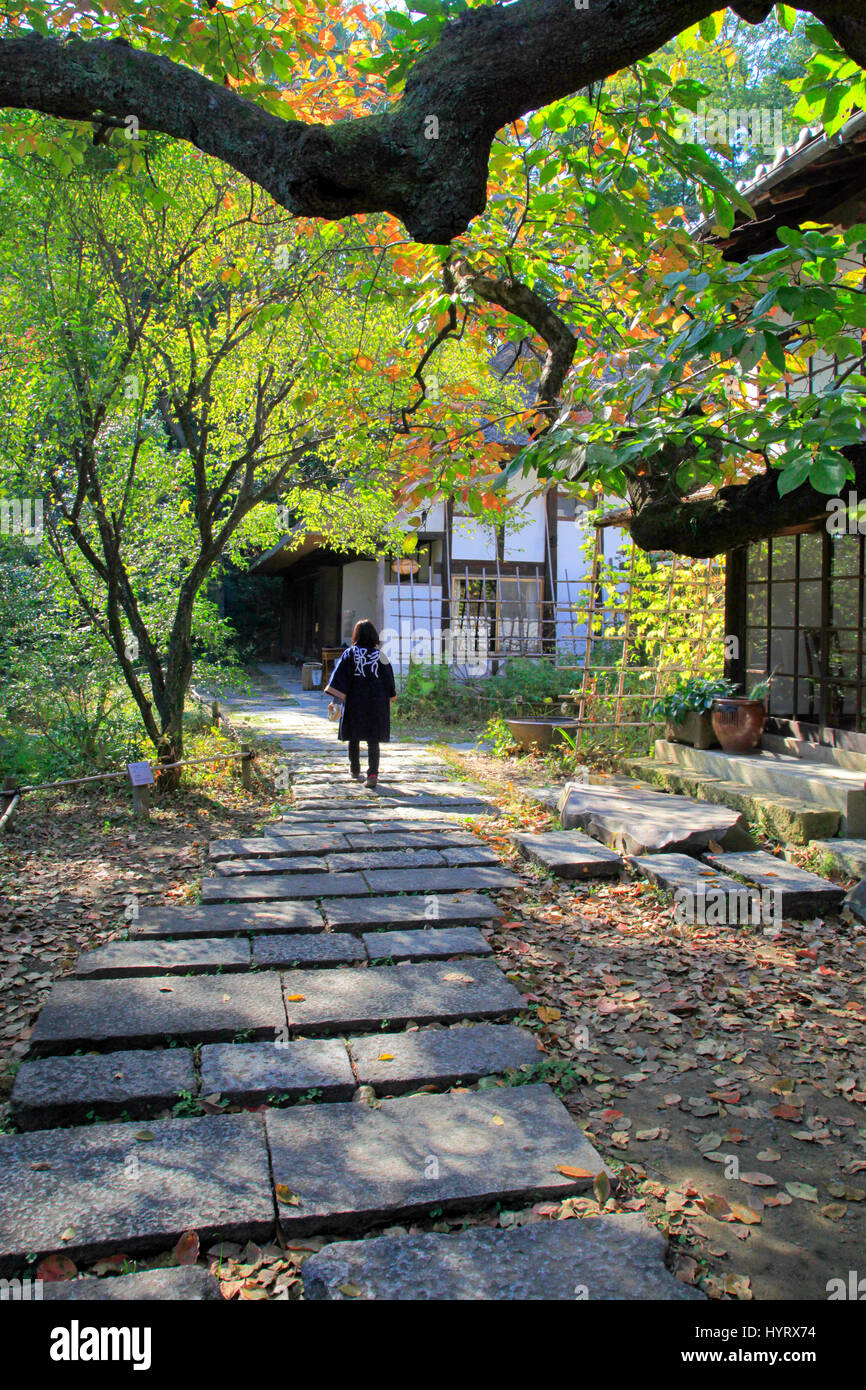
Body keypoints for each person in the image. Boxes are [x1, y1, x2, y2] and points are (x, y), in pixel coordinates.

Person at [324, 619, 396, 787]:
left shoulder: (349, 653)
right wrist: (391, 695)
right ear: (374, 636)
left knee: (354, 736)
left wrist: (335, 701)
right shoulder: (381, 656)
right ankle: (372, 774)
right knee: (373, 738)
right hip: (376, 703)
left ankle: (355, 770)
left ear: (356, 635)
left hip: (355, 701)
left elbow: (340, 679)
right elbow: (389, 680)